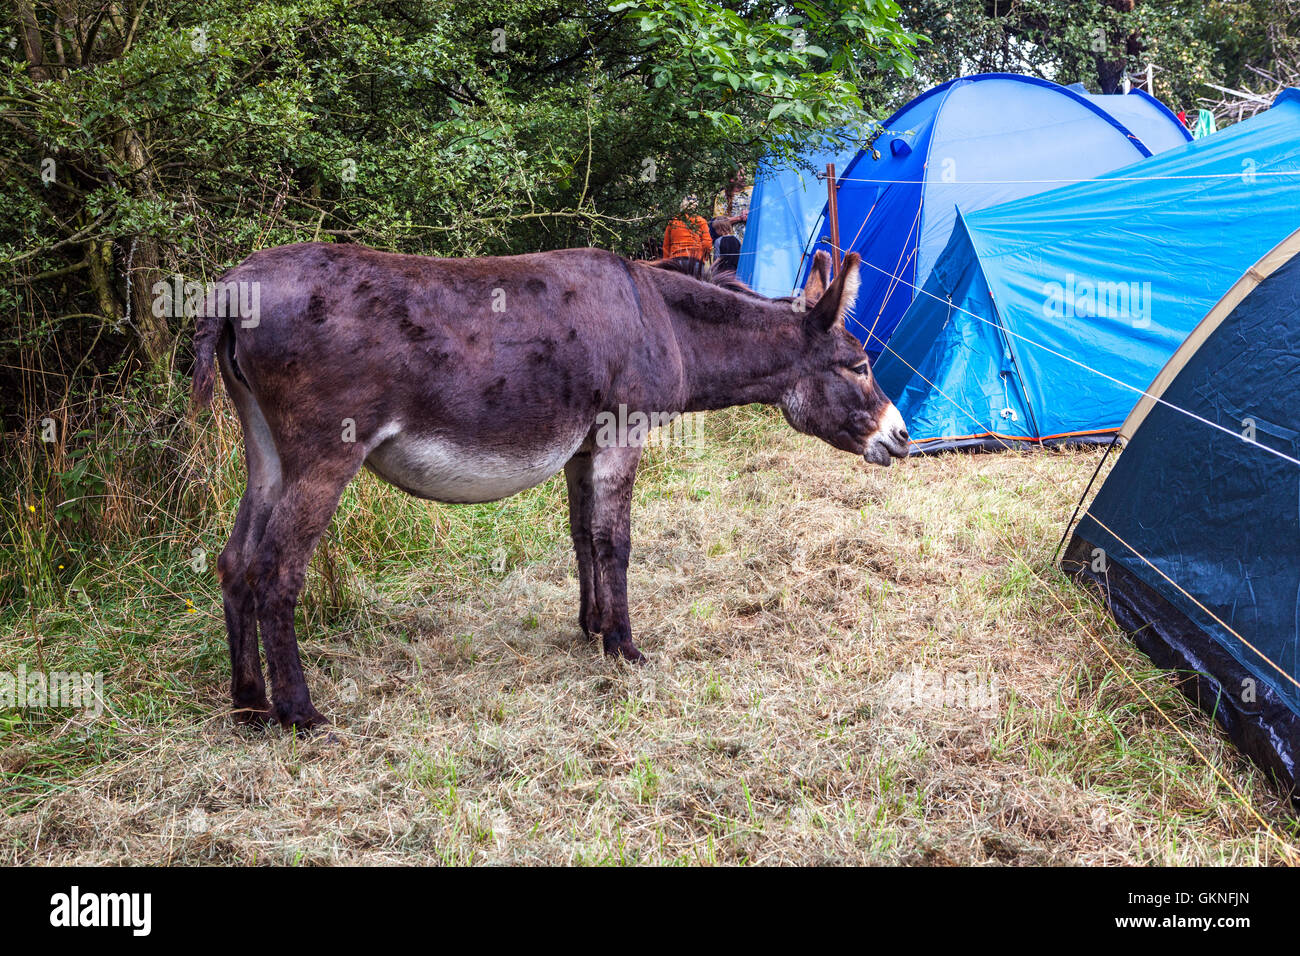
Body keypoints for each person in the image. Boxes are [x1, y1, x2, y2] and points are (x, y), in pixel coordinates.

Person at [662, 196, 712, 262]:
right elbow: (707, 244)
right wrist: (704, 257)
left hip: (676, 259)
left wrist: (666, 263)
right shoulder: (701, 221)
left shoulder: (673, 221)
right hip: (696, 259)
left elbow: (666, 245)